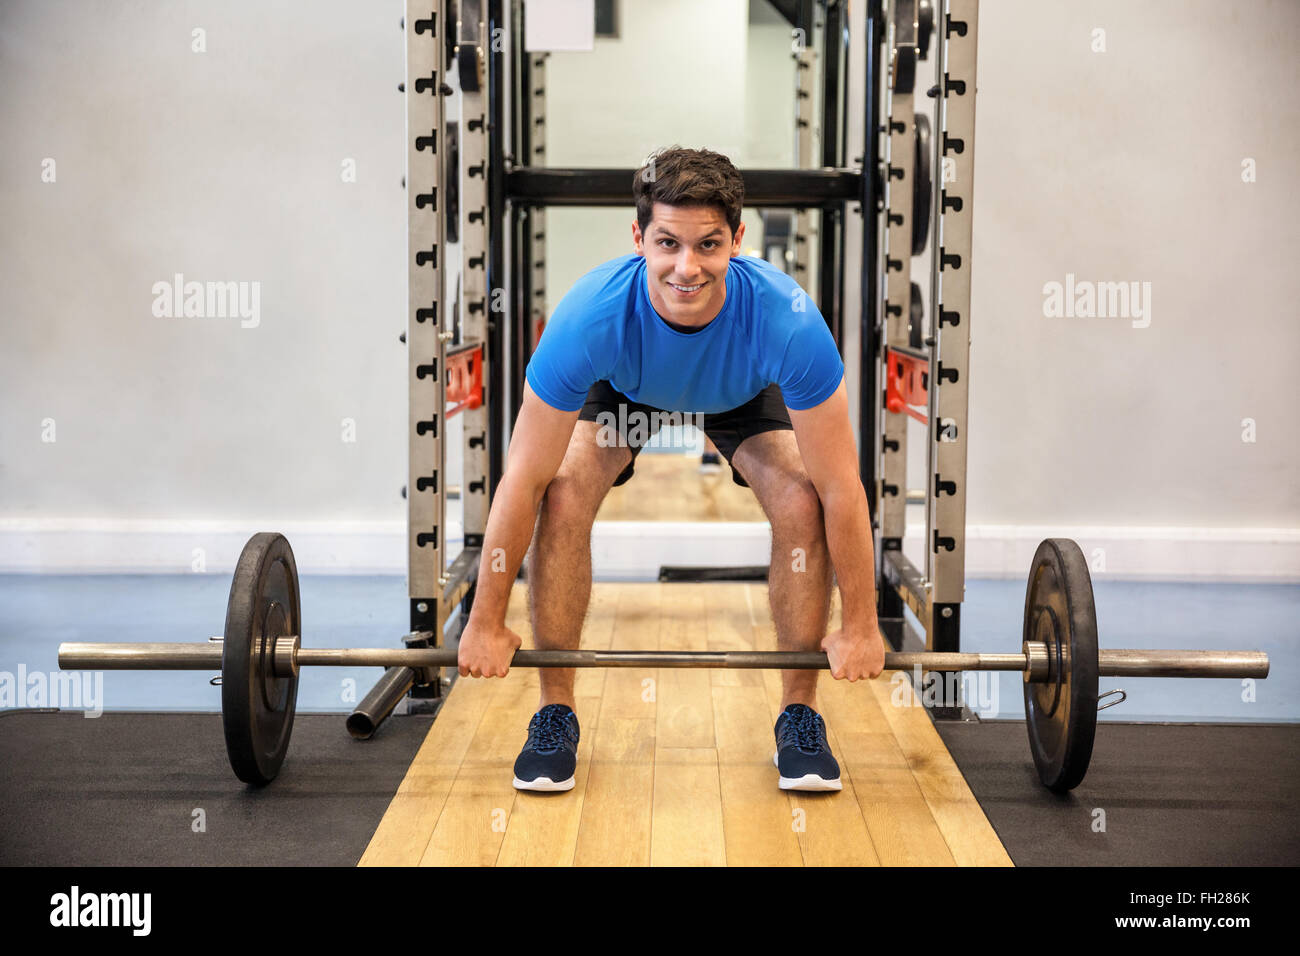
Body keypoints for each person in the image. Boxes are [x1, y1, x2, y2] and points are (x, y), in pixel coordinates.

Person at [457, 146, 885, 792]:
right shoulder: (588, 318)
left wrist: (861, 625)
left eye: (708, 245)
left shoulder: (786, 322)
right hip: (626, 387)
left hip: (737, 393)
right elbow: (523, 477)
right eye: (667, 243)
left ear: (737, 241)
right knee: (565, 493)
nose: (687, 267)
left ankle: (799, 714)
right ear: (639, 239)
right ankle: (555, 712)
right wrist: (485, 620)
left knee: (800, 500)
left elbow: (840, 487)